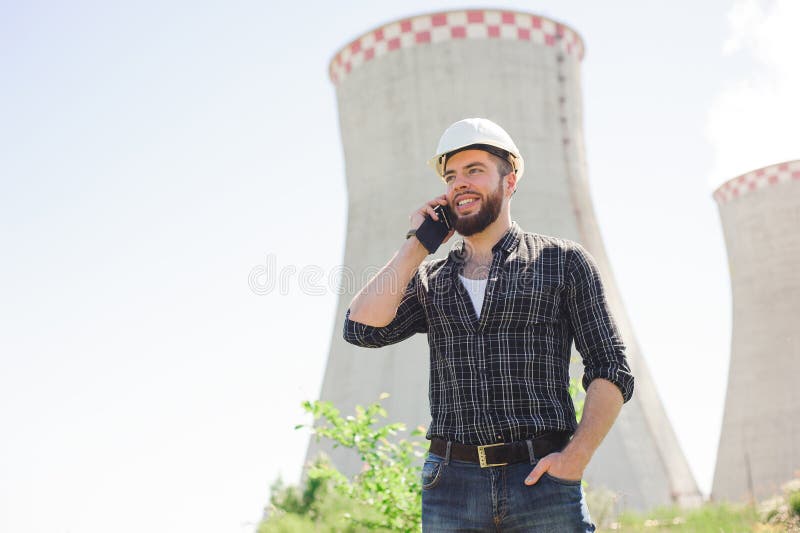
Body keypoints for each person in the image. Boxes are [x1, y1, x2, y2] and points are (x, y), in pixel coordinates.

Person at [343, 118, 634, 532]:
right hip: (451, 487)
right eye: (451, 176)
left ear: (510, 181)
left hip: (542, 481)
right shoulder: (431, 279)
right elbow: (361, 329)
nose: (460, 183)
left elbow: (611, 368)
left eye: (474, 170)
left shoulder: (563, 262)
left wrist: (575, 458)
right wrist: (417, 244)